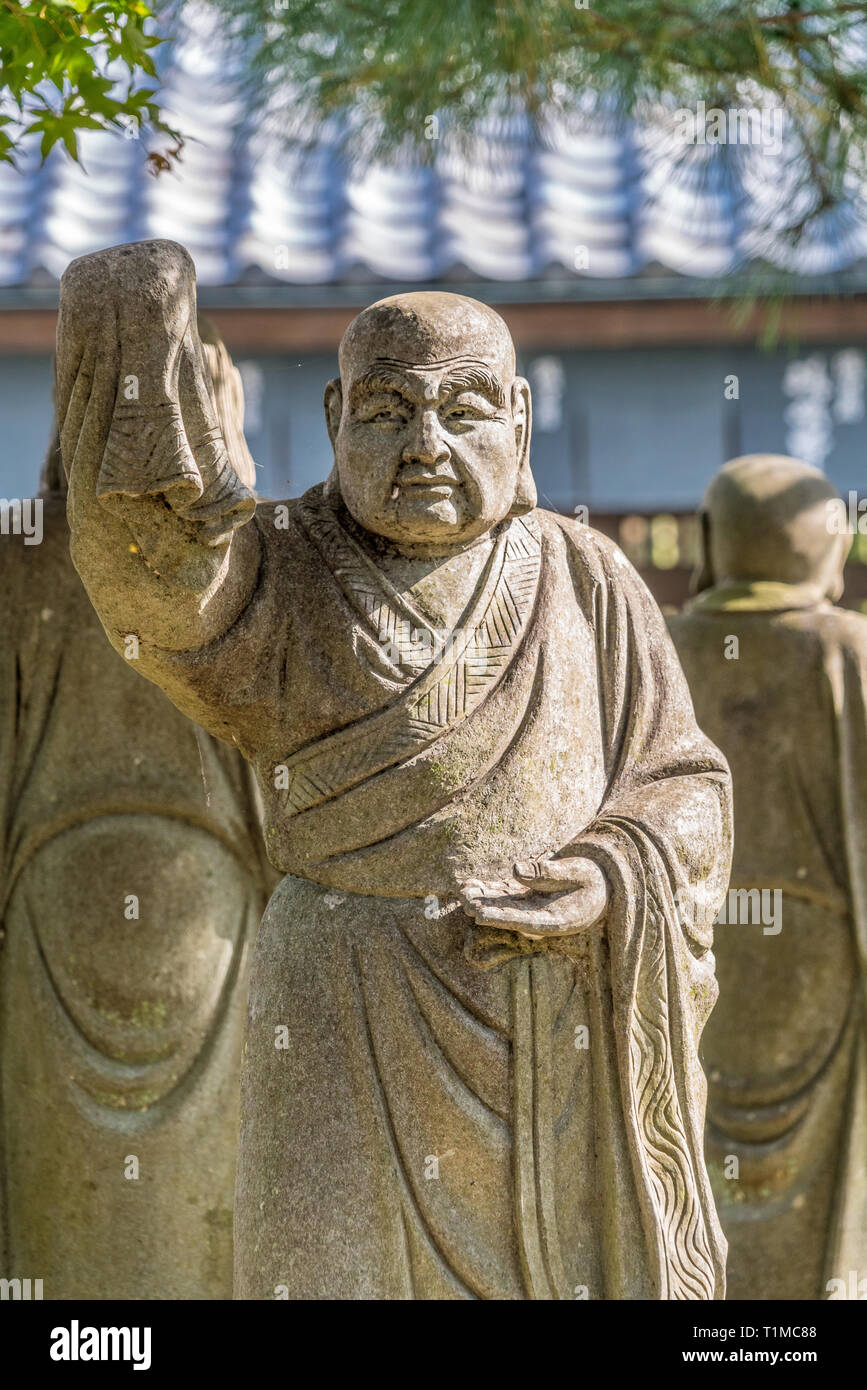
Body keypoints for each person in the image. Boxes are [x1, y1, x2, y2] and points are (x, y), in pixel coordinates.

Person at [58, 239, 732, 1300]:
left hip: (539, 1006)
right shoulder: (279, 561)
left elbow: (683, 779)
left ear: (517, 416)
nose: (426, 444)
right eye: (388, 411)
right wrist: (131, 361)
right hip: (337, 997)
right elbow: (164, 606)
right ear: (334, 420)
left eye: (462, 411)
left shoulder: (586, 574)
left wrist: (610, 873)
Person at [0, 319, 274, 1298]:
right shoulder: (20, 561)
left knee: (210, 1215)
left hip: (215, 923)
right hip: (51, 925)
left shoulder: (259, 570)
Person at [669, 453, 866, 1300]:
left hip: (689, 951)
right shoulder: (847, 652)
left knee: (685, 1141)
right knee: (826, 1178)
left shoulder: (656, 646)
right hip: (821, 953)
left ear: (713, 541)